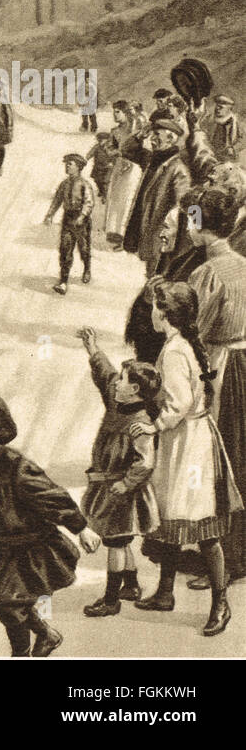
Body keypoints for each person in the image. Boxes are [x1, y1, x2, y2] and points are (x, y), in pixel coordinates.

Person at [0, 393, 102, 656]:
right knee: (12, 603)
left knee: (10, 608)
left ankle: (22, 654)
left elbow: (54, 498)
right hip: (7, 549)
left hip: (35, 549)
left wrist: (82, 528)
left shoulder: (17, 467)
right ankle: (47, 635)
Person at [133, 281, 242, 635]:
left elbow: (178, 404)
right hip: (186, 439)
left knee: (200, 523)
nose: (150, 313)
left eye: (154, 308)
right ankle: (165, 593)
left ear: (165, 315)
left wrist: (155, 425)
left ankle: (220, 606)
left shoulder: (175, 351)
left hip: (188, 444)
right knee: (171, 516)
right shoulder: (180, 346)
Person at [183, 187, 246, 587]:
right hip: (244, 362)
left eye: (191, 218)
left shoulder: (206, 273)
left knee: (222, 461)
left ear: (200, 225)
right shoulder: (242, 262)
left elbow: (195, 332)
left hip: (223, 368)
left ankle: (229, 557)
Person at [75, 327, 161, 616]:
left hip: (123, 492)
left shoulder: (140, 422)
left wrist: (127, 483)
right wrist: (92, 348)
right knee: (121, 540)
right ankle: (132, 585)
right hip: (110, 487)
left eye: (123, 380)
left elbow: (146, 461)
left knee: (115, 543)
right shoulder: (117, 399)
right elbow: (106, 374)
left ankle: (111, 600)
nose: (116, 383)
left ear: (135, 389)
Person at [121, 112, 191, 277]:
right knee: (151, 275)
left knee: (157, 277)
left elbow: (184, 206)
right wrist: (140, 134)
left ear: (171, 138)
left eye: (157, 135)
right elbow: (125, 150)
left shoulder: (178, 168)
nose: (152, 139)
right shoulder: (152, 159)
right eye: (152, 135)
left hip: (162, 236)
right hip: (148, 230)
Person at [44, 153, 94, 295]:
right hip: (68, 218)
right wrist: (49, 215)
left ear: (78, 167)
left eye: (70, 164)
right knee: (65, 250)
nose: (67, 166)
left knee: (84, 248)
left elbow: (89, 202)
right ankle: (63, 281)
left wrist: (82, 216)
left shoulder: (84, 184)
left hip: (81, 220)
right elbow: (57, 200)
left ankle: (87, 269)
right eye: (66, 164)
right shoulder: (64, 184)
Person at [206, 95, 239, 163]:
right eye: (216, 107)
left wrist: (231, 148)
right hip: (212, 152)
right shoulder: (213, 120)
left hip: (226, 156)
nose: (217, 109)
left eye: (220, 107)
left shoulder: (231, 122)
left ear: (228, 109)